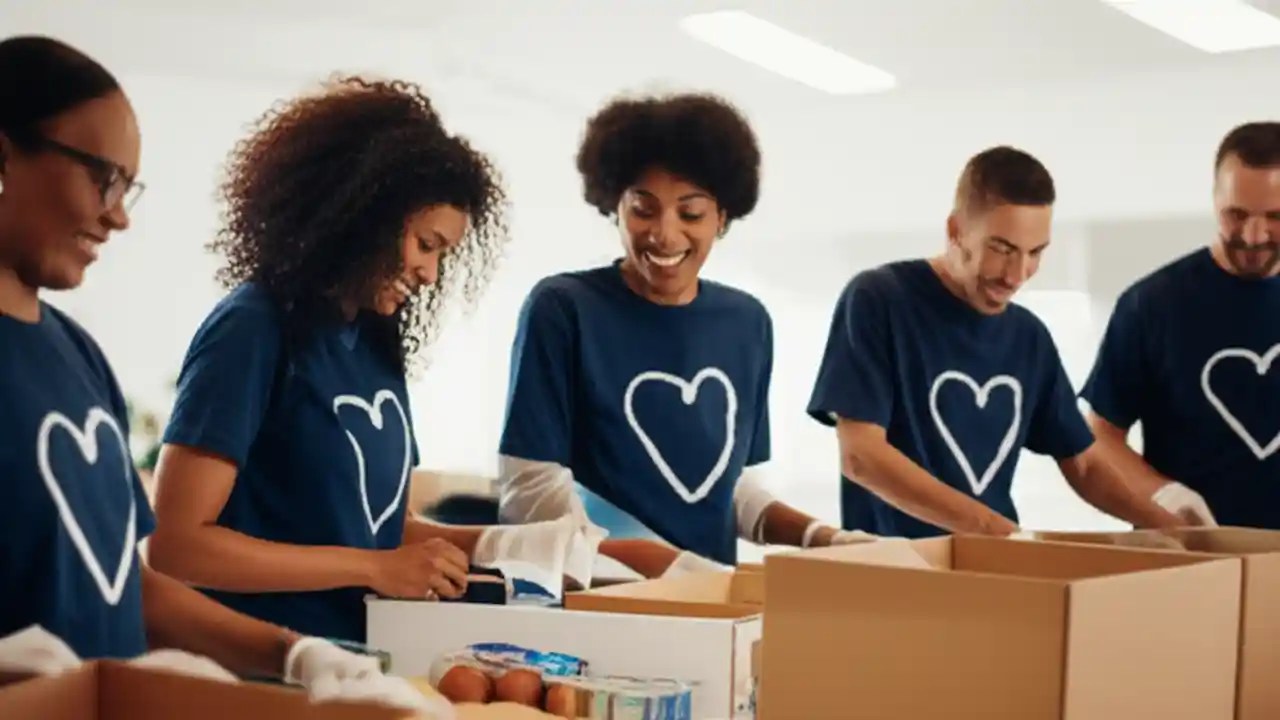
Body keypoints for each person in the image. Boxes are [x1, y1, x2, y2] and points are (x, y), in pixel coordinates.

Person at [0, 35, 439, 712]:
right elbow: (180, 545)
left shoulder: (77, 357)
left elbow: (133, 583)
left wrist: (291, 654)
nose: (117, 214)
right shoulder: (257, 325)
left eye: (129, 187)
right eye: (102, 176)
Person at [147, 75, 589, 648]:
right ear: (363, 215)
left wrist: (505, 548)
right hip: (260, 670)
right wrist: (372, 568)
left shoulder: (377, 342)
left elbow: (375, 531)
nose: (430, 273)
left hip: (359, 662)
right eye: (425, 244)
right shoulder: (254, 327)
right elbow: (178, 545)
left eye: (443, 255)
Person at [496, 92, 870, 579]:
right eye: (642, 209)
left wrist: (825, 538)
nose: (665, 235)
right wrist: (667, 569)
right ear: (615, 207)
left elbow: (727, 491)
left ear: (723, 218)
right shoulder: (565, 308)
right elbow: (530, 494)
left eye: (690, 213)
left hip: (711, 604)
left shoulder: (745, 322)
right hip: (603, 600)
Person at [806, 145, 1185, 539]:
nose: (1017, 275)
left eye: (1035, 253)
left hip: (991, 569)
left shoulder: (1029, 338)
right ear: (956, 231)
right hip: (892, 574)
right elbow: (861, 457)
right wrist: (992, 528)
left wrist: (1174, 531)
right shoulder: (879, 299)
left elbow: (1085, 465)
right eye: (1001, 250)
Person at [1081, 122, 1280, 529]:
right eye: (1236, 214)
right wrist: (1163, 495)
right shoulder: (1152, 304)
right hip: (1188, 559)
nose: (1254, 235)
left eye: (1276, 217)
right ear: (1214, 201)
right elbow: (1099, 435)